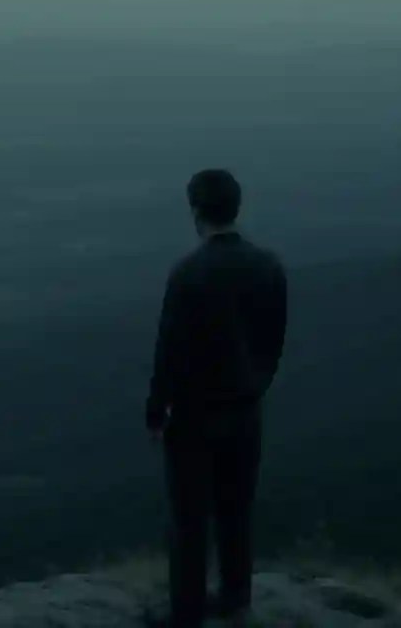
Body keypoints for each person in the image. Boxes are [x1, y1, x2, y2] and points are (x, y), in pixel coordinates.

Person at [145, 169, 288, 628]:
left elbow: (168, 349)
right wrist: (256, 384)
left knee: (189, 518)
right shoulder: (269, 266)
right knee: (236, 510)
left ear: (195, 211)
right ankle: (235, 597)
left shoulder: (188, 273)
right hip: (247, 409)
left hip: (194, 414)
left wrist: (156, 410)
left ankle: (187, 612)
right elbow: (274, 339)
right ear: (236, 207)